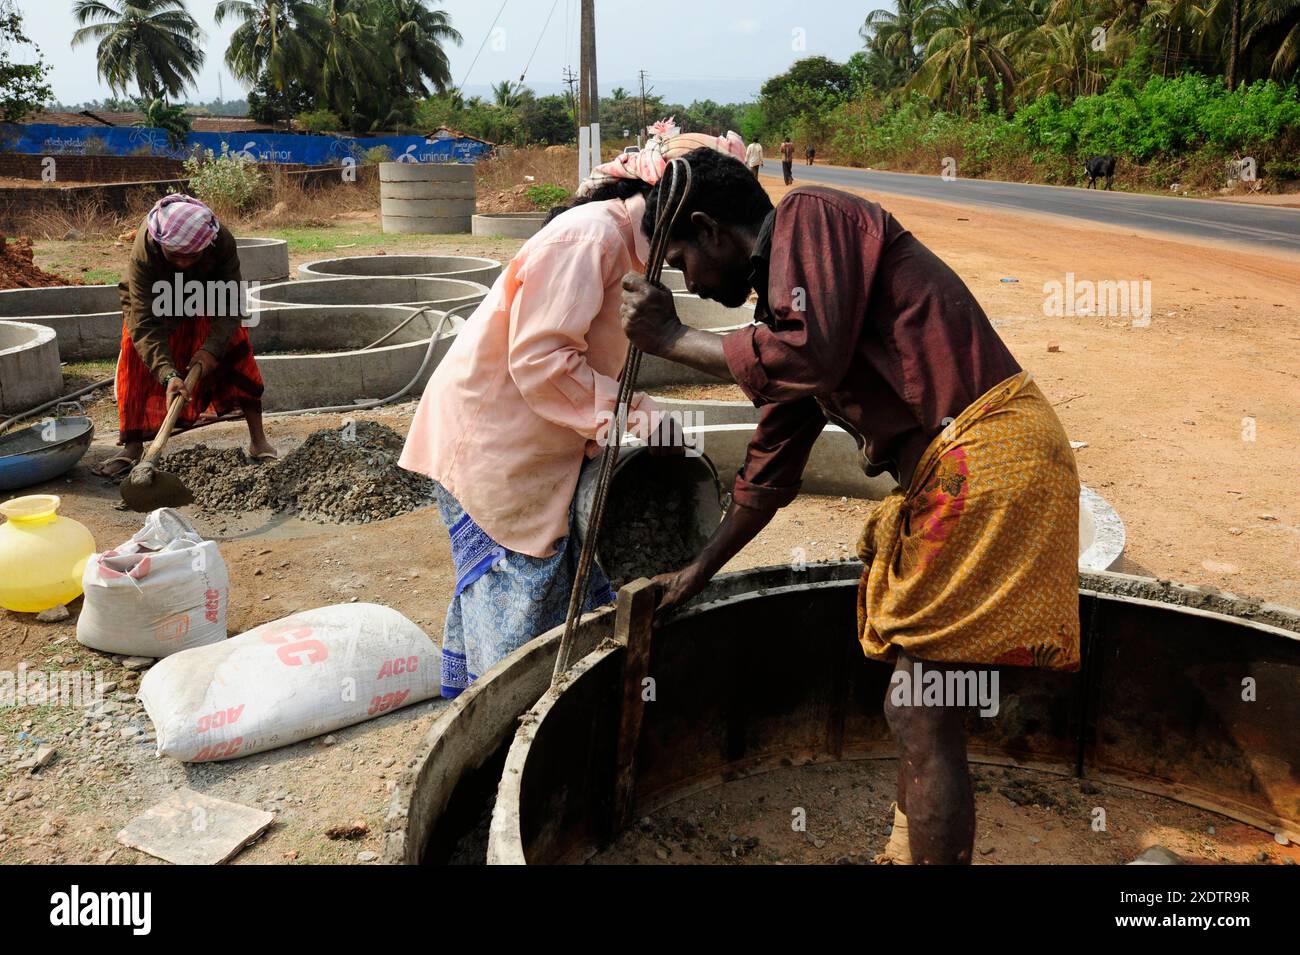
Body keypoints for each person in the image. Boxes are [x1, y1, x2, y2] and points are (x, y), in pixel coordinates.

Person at [619, 148, 1080, 865]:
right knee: (923, 706)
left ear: (710, 230)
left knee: (920, 710)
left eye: (681, 260)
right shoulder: (792, 310)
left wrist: (676, 338)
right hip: (976, 465)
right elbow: (769, 472)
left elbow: (810, 357)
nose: (689, 282)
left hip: (987, 456)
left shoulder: (808, 217)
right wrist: (696, 572)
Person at [399, 121, 749, 699]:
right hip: (496, 447)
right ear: (694, 218)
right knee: (515, 612)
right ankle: (500, 735)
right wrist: (638, 416)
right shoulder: (589, 240)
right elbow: (541, 363)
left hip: (545, 448)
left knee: (542, 594)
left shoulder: (639, 249)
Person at [95, 194, 275, 476]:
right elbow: (143, 322)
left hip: (207, 295)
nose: (182, 263)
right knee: (135, 358)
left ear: (205, 246)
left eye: (191, 256)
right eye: (174, 255)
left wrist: (210, 351)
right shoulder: (146, 247)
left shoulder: (221, 241)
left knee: (237, 349)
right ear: (161, 245)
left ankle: (258, 440)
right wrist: (169, 374)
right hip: (154, 301)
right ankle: (133, 446)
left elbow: (230, 304)